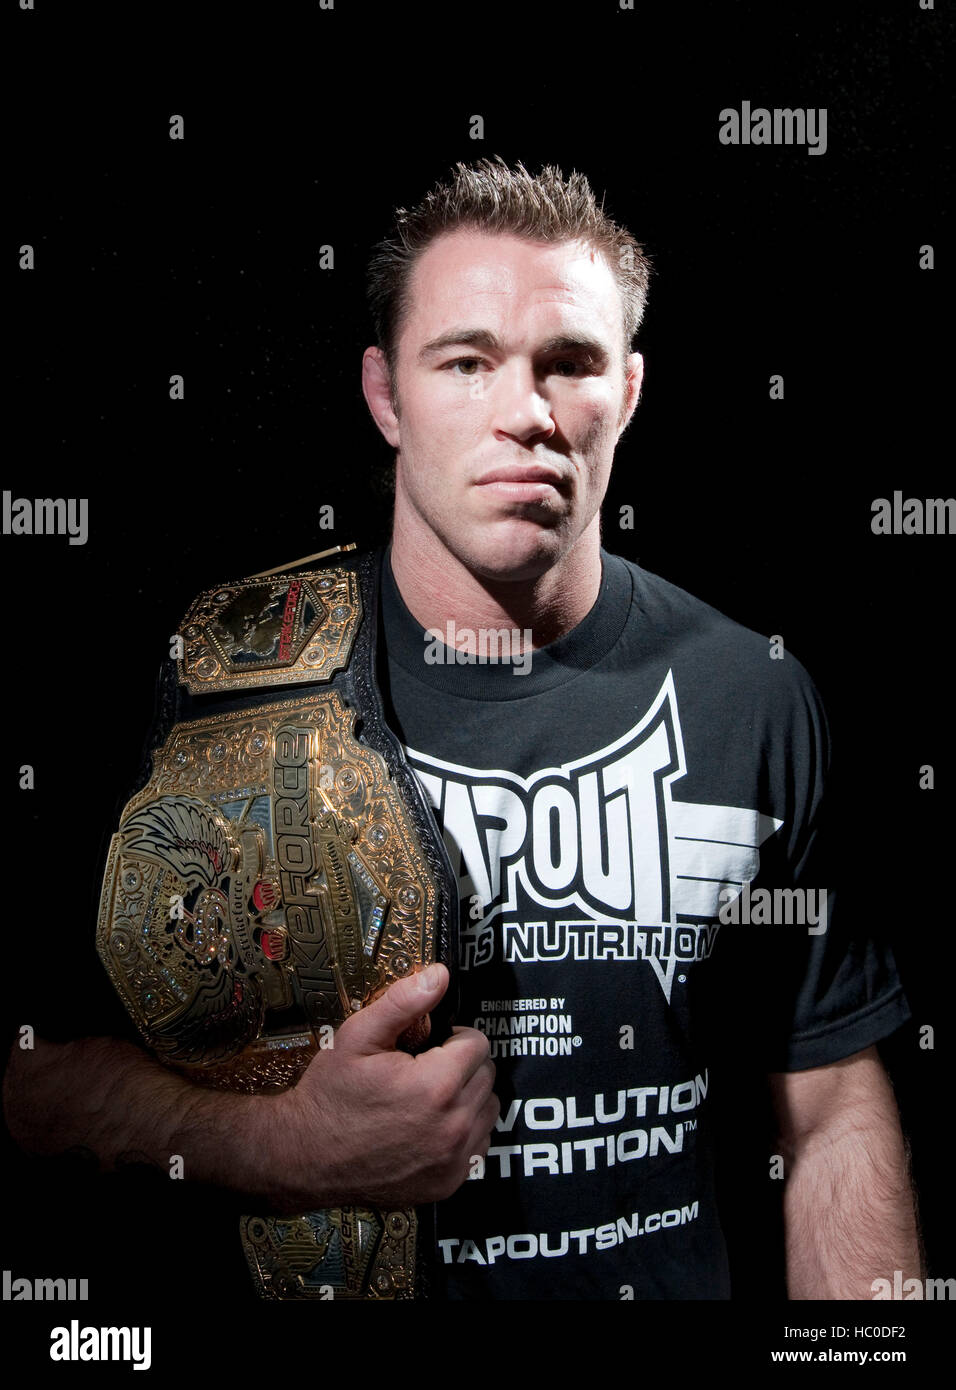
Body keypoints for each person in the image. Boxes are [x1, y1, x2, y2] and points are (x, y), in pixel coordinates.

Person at [3, 157, 921, 1301]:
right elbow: (28, 1080)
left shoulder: (751, 690)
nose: (525, 411)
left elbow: (829, 1093)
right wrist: (282, 1148)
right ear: (385, 395)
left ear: (626, 392)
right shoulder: (211, 677)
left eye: (569, 363)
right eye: (467, 361)